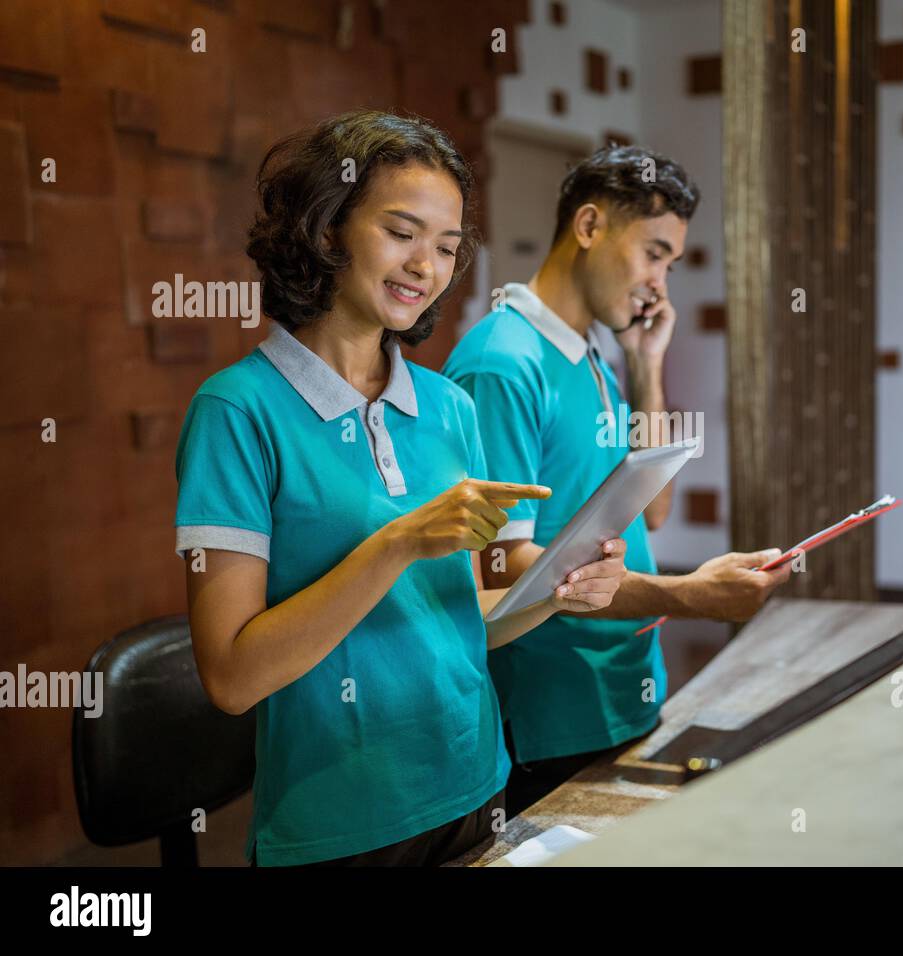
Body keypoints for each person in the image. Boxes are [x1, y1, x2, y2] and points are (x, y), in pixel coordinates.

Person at [173, 111, 628, 867]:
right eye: (402, 232)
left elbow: (456, 623)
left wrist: (555, 592)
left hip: (476, 787)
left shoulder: (448, 406)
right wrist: (398, 542)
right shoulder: (236, 411)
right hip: (340, 827)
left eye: (448, 248)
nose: (428, 265)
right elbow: (230, 676)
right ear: (325, 231)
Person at [443, 145, 791, 817]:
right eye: (653, 252)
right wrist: (690, 597)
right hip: (551, 712)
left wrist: (646, 363)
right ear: (590, 227)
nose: (660, 283)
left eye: (671, 263)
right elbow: (500, 571)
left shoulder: (594, 355)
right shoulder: (503, 363)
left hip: (624, 684)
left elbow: (653, 510)